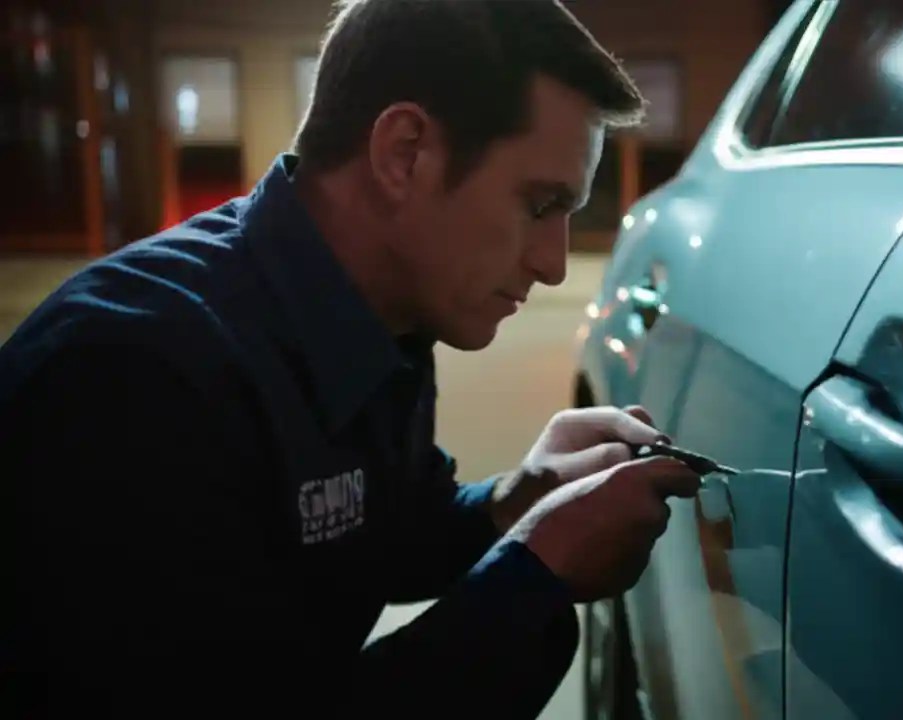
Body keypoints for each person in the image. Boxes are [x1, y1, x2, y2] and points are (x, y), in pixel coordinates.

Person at [0, 1, 701, 716]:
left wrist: (515, 500)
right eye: (541, 205)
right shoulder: (133, 381)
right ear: (404, 153)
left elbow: (377, 533)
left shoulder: (383, 313)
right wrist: (535, 577)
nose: (554, 264)